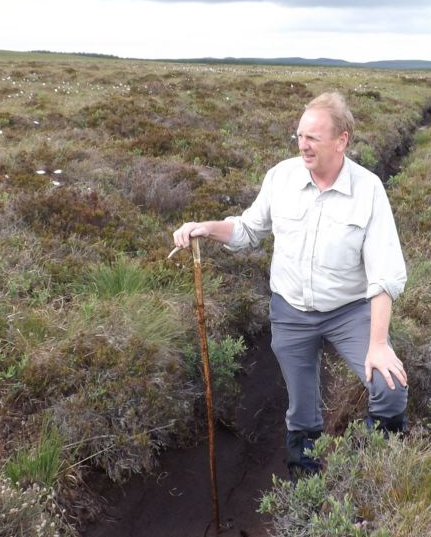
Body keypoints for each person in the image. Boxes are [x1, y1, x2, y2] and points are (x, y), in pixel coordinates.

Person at [172, 91, 407, 478]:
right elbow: (248, 230)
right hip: (291, 312)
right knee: (301, 405)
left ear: (342, 140)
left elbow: (385, 275)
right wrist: (207, 229)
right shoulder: (281, 177)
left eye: (313, 137)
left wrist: (378, 344)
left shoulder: (368, 191)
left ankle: (377, 464)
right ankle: (305, 469)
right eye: (299, 135)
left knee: (389, 388)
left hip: (349, 312)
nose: (303, 144)